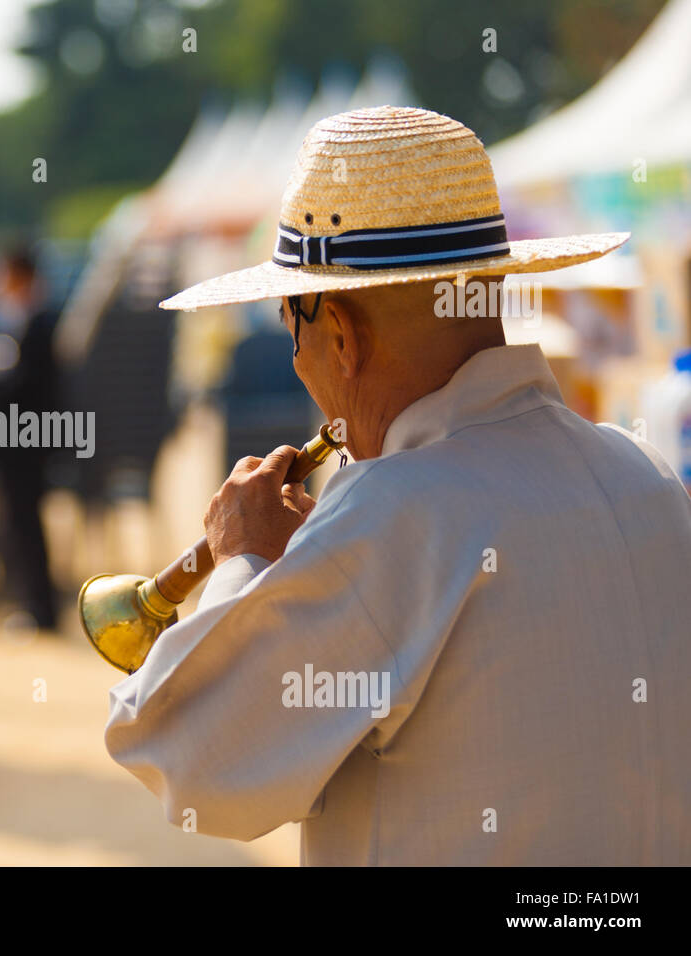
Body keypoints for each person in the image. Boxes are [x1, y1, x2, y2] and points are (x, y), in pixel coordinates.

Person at [104, 107, 691, 865]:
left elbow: (186, 756)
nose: (296, 363)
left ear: (341, 335)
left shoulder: (391, 516)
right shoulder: (646, 478)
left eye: (294, 327)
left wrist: (245, 560)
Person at [0, 243, 60, 631]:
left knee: (26, 524)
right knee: (20, 525)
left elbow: (27, 385)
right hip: (15, 441)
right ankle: (32, 603)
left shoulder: (40, 321)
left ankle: (40, 608)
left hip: (27, 441)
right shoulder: (18, 320)